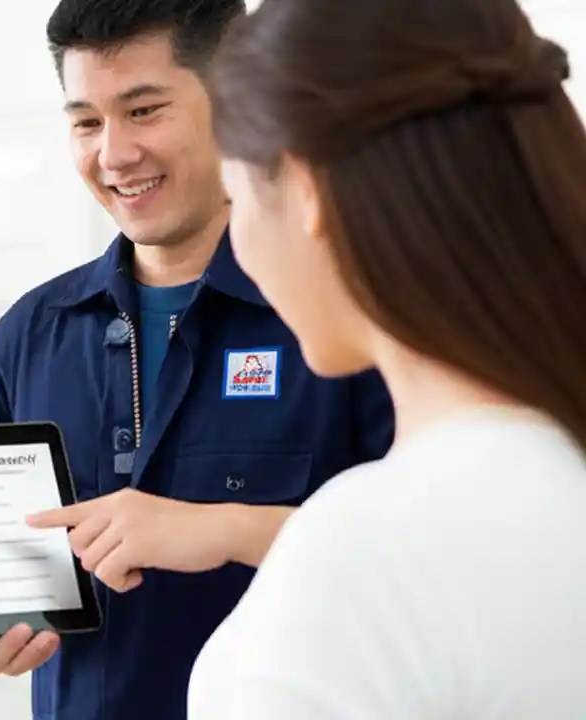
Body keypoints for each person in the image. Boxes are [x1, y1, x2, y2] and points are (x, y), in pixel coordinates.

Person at [36, 0, 586, 715]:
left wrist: (234, 529)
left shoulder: (356, 560)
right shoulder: (549, 473)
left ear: (304, 193)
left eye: (241, 191)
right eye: (86, 120)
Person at [0, 1, 395, 718]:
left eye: (144, 111)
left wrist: (229, 529)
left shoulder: (348, 319)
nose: (113, 154)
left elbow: (440, 556)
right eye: (86, 122)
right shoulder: (29, 334)